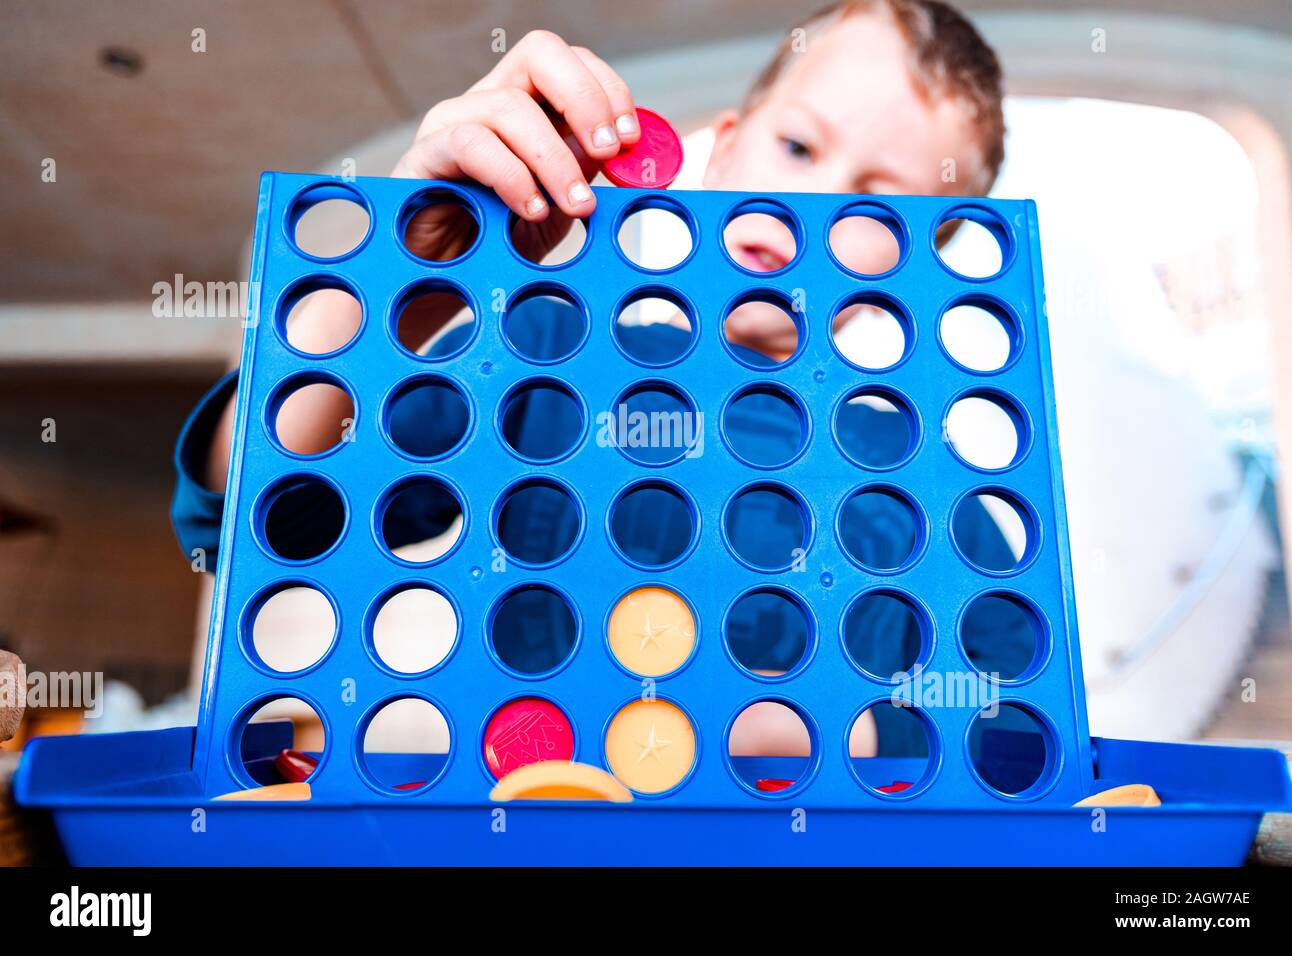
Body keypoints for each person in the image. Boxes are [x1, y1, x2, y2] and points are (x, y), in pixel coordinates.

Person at [173, 0, 1030, 766]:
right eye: (798, 145)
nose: (815, 203)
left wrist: (825, 724)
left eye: (879, 204)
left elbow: (1017, 734)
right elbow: (255, 520)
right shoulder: (543, 351)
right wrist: (406, 271)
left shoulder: (933, 480)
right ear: (724, 148)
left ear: (928, 262)